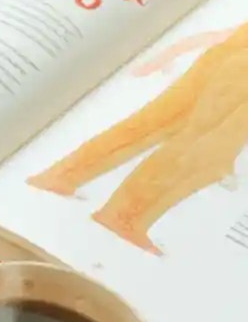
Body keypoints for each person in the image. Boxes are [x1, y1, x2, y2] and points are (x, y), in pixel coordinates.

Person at [27, 22, 248, 255]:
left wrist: (171, 53)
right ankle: (123, 215)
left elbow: (226, 35)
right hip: (239, 71)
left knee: (154, 123)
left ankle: (62, 175)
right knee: (201, 150)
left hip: (228, 57)